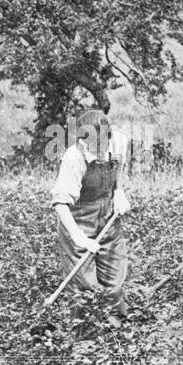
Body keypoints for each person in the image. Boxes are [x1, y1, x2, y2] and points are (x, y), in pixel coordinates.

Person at [51, 108, 131, 325]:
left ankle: (117, 334)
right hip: (79, 218)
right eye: (87, 142)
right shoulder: (74, 157)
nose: (90, 148)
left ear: (108, 136)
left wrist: (119, 191)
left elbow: (120, 168)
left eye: (97, 144)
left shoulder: (120, 142)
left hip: (107, 215)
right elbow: (60, 203)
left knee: (114, 280)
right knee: (85, 286)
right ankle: (84, 340)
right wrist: (79, 237)